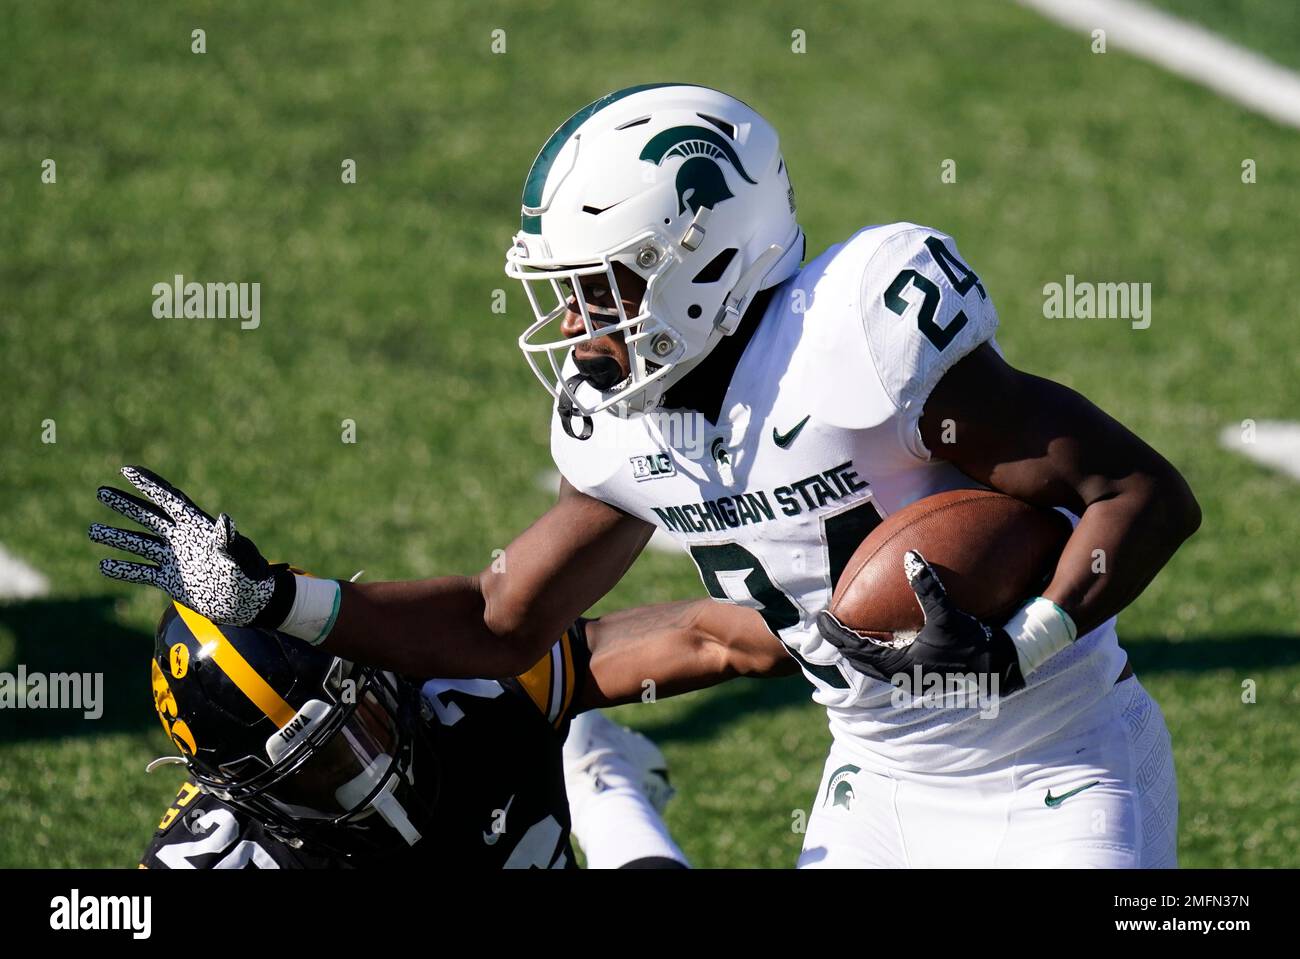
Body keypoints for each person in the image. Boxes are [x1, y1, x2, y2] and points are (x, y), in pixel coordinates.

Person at [93, 83, 1199, 867]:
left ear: (705, 253)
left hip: (1056, 756)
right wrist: (270, 598)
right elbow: (496, 620)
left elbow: (1140, 493)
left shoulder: (861, 333)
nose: (576, 326)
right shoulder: (622, 426)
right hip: (878, 778)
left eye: (603, 286)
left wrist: (1028, 636)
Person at [140, 596, 791, 869]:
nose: (369, 771)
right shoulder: (216, 857)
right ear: (234, 791)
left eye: (360, 722)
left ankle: (601, 781)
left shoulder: (476, 689)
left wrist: (823, 621)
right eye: (321, 768)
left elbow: (705, 638)